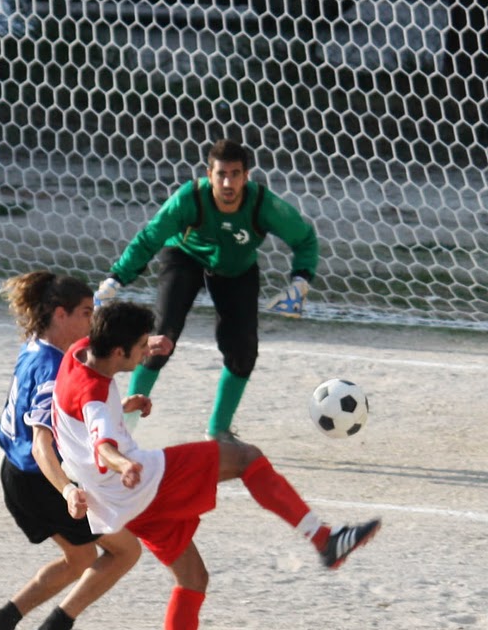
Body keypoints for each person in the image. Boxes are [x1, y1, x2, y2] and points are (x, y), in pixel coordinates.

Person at [54, 300, 381, 630]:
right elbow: (102, 444)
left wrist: (130, 398)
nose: (142, 355)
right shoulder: (96, 395)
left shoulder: (77, 354)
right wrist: (125, 464)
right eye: (137, 349)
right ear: (117, 352)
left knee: (193, 578)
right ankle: (325, 540)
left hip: (118, 506)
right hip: (145, 482)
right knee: (246, 458)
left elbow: (84, 422)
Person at [0, 271, 150, 630]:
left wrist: (122, 408)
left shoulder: (38, 350)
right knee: (125, 551)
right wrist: (67, 488)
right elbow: (41, 445)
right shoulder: (53, 368)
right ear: (60, 313)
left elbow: (75, 408)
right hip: (41, 479)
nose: (91, 321)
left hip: (18, 474)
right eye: (86, 313)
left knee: (81, 558)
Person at [93, 137, 319, 439]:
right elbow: (151, 237)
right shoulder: (190, 198)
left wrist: (301, 281)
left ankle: (218, 430)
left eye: (235, 174)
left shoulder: (263, 204)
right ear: (208, 175)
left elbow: (305, 239)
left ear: (246, 176)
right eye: (221, 174)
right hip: (185, 257)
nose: (228, 182)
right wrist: (116, 278)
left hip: (237, 269)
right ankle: (126, 427)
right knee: (162, 336)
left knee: (243, 351)